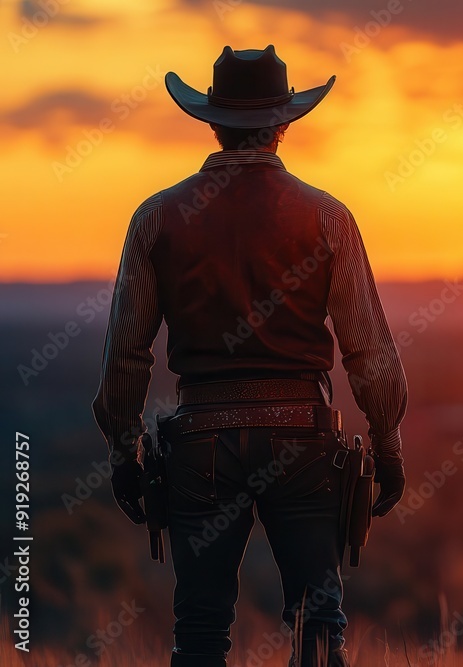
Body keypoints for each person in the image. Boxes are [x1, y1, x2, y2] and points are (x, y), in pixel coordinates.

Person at [91, 45, 408, 667]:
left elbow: (127, 349)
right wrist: (388, 442)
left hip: (199, 441)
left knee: (201, 630)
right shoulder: (326, 217)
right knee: (319, 624)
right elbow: (366, 346)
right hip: (304, 441)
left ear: (210, 122)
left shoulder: (157, 218)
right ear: (285, 124)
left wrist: (122, 452)